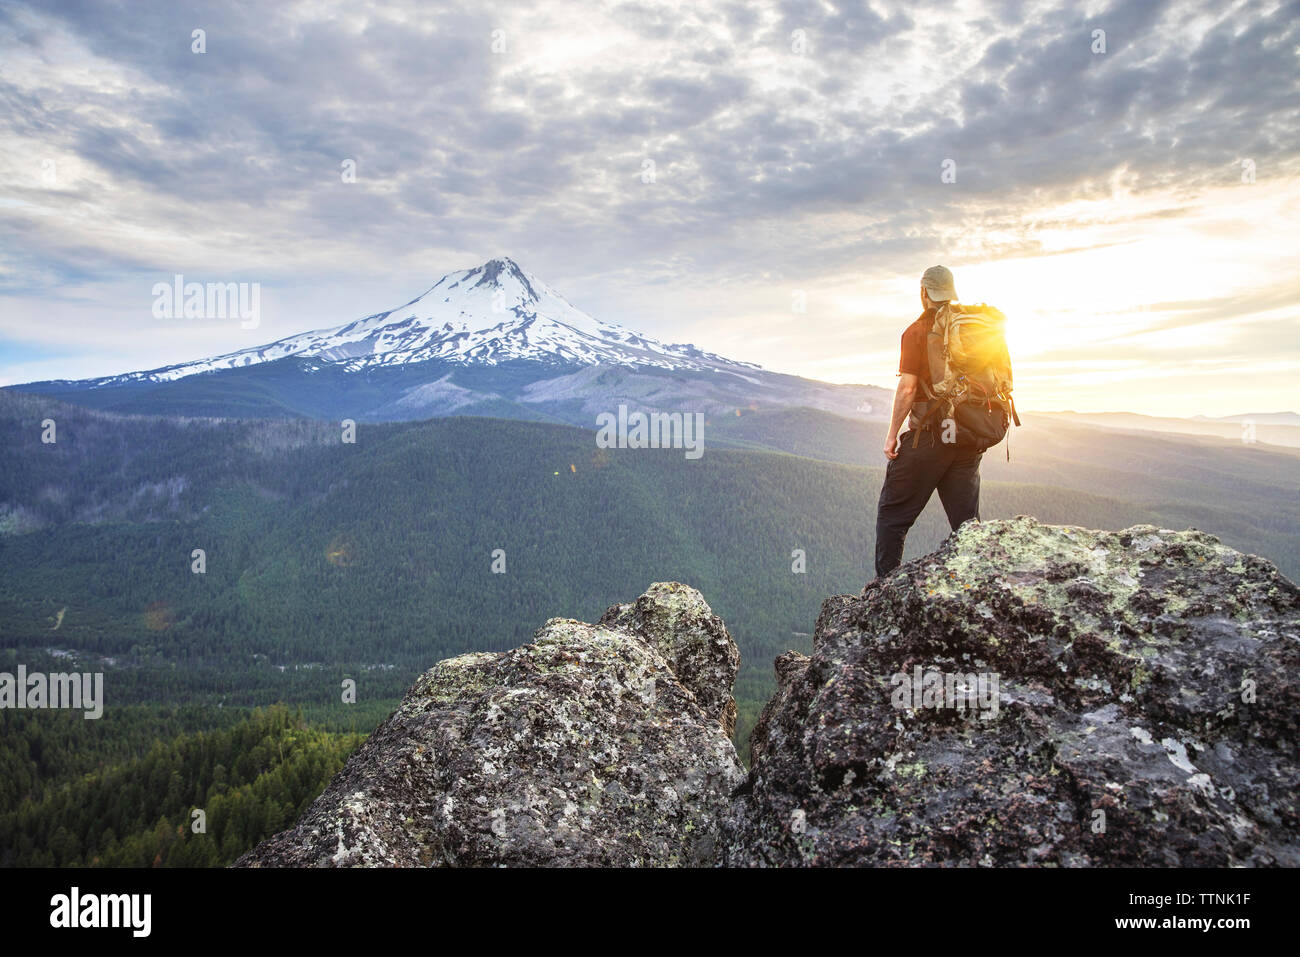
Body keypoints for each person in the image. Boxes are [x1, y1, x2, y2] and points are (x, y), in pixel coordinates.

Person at [874, 265, 985, 578]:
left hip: (929, 437)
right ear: (950, 292)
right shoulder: (973, 328)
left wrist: (892, 434)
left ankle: (884, 596)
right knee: (967, 525)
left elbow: (908, 388)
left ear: (924, 293)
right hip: (967, 438)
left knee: (892, 518)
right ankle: (977, 588)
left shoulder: (917, 331)